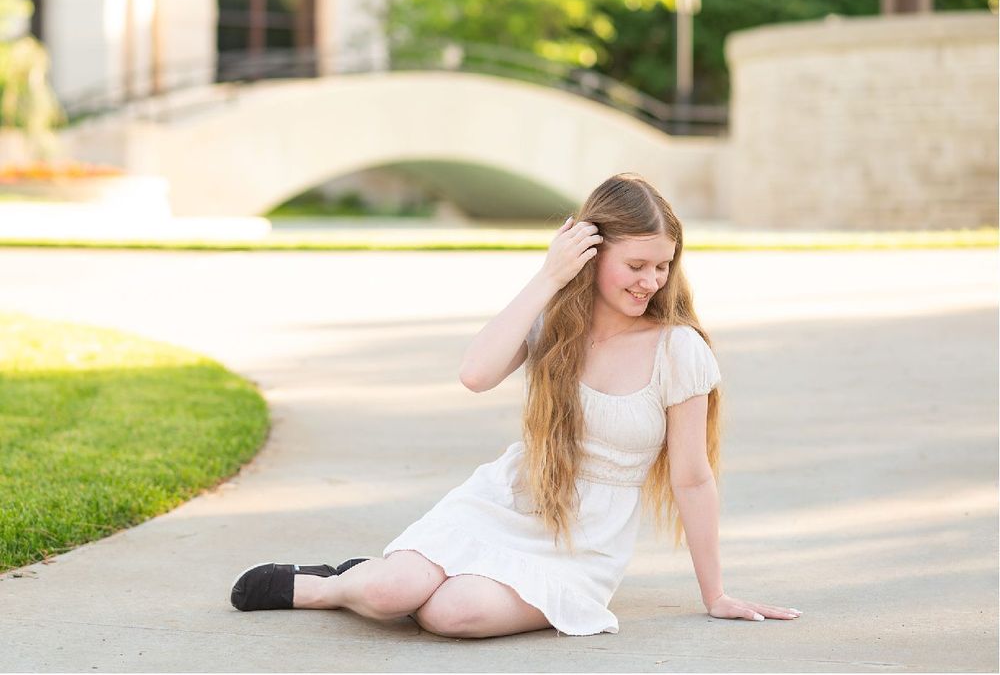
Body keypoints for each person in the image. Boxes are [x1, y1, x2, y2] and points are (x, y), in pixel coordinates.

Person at [228, 172, 802, 638]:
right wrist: (547, 276)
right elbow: (474, 374)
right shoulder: (555, 324)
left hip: (583, 542)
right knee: (388, 594)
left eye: (663, 265)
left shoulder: (679, 349)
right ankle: (332, 585)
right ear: (590, 252)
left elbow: (693, 479)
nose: (651, 280)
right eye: (636, 265)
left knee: (452, 614)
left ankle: (381, 579)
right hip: (506, 500)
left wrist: (716, 594)